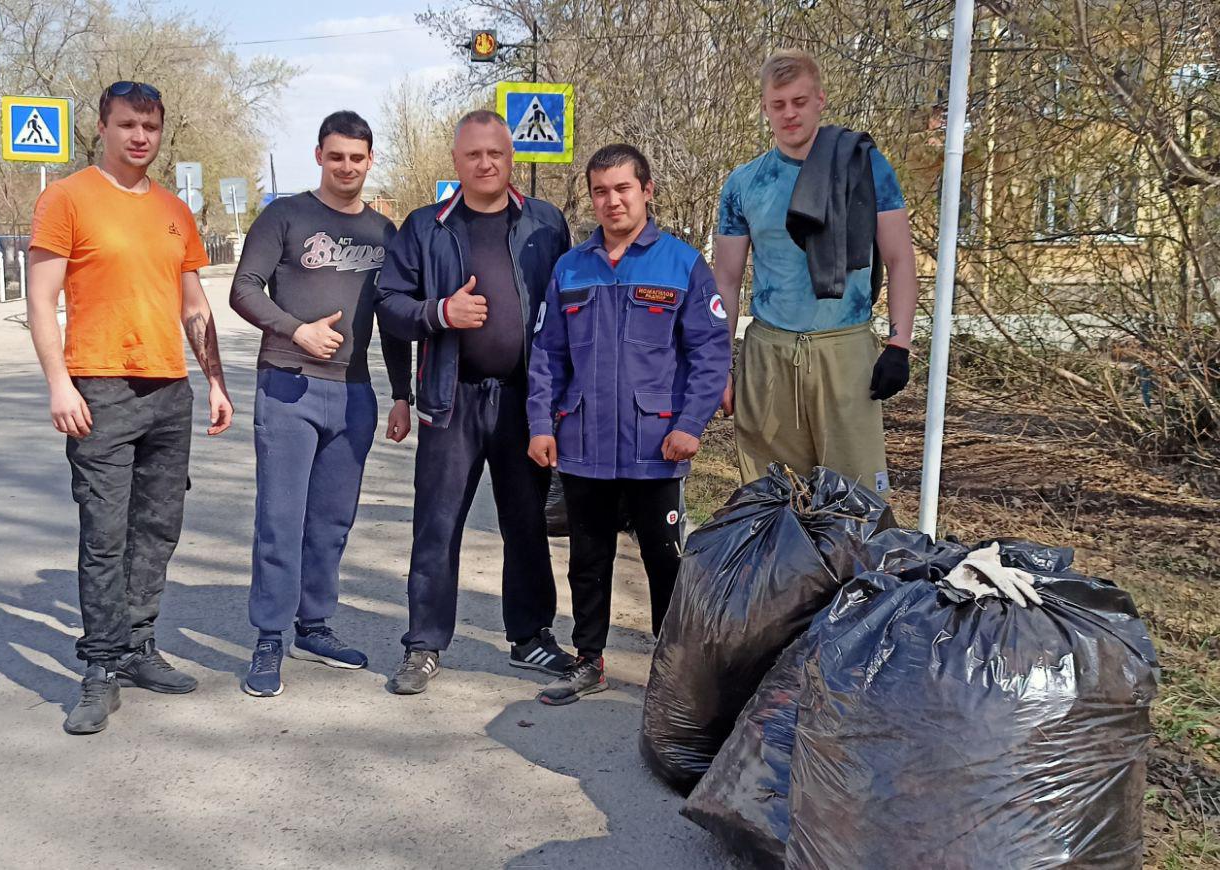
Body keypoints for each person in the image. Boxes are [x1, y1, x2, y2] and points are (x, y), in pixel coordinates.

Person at [26, 81, 233, 735]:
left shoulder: (175, 210)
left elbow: (195, 307)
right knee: (104, 536)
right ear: (102, 127)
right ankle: (99, 668)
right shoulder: (66, 199)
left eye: (149, 125)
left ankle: (139, 648)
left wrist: (217, 382)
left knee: (157, 531)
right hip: (101, 390)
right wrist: (60, 383)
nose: (139, 136)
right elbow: (40, 300)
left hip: (169, 392)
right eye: (126, 125)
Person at [375, 110, 574, 695]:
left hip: (524, 400)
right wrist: (441, 313)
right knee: (437, 525)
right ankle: (424, 644)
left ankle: (531, 636)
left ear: (510, 155)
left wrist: (564, 402)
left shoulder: (545, 223)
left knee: (526, 525)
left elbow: (567, 309)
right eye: (473, 156)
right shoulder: (425, 227)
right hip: (450, 399)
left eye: (496, 153)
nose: (485, 164)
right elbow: (388, 304)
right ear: (456, 161)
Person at [526, 144, 730, 705]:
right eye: (600, 191)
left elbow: (711, 355)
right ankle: (588, 661)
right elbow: (547, 354)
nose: (612, 201)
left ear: (647, 190)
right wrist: (540, 424)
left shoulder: (683, 264)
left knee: (665, 561)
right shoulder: (572, 267)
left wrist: (691, 425)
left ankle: (669, 672)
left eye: (623, 188)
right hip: (584, 442)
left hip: (656, 446)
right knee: (588, 561)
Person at [229, 111, 413, 697]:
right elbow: (242, 289)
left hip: (354, 393)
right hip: (289, 385)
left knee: (332, 522)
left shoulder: (385, 233)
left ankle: (314, 624)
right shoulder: (285, 216)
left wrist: (402, 394)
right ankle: (268, 637)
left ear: (370, 160)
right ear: (319, 156)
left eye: (357, 158)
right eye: (337, 156)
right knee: (280, 520)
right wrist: (294, 329)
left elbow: (395, 321)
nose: (347, 167)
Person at [714, 50, 919, 495]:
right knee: (773, 500)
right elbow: (726, 281)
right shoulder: (745, 183)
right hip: (769, 355)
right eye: (778, 104)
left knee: (858, 503)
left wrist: (899, 345)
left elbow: (901, 259)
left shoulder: (864, 168)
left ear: (820, 100)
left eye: (799, 101)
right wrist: (719, 366)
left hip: (844, 351)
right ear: (765, 108)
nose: (790, 114)